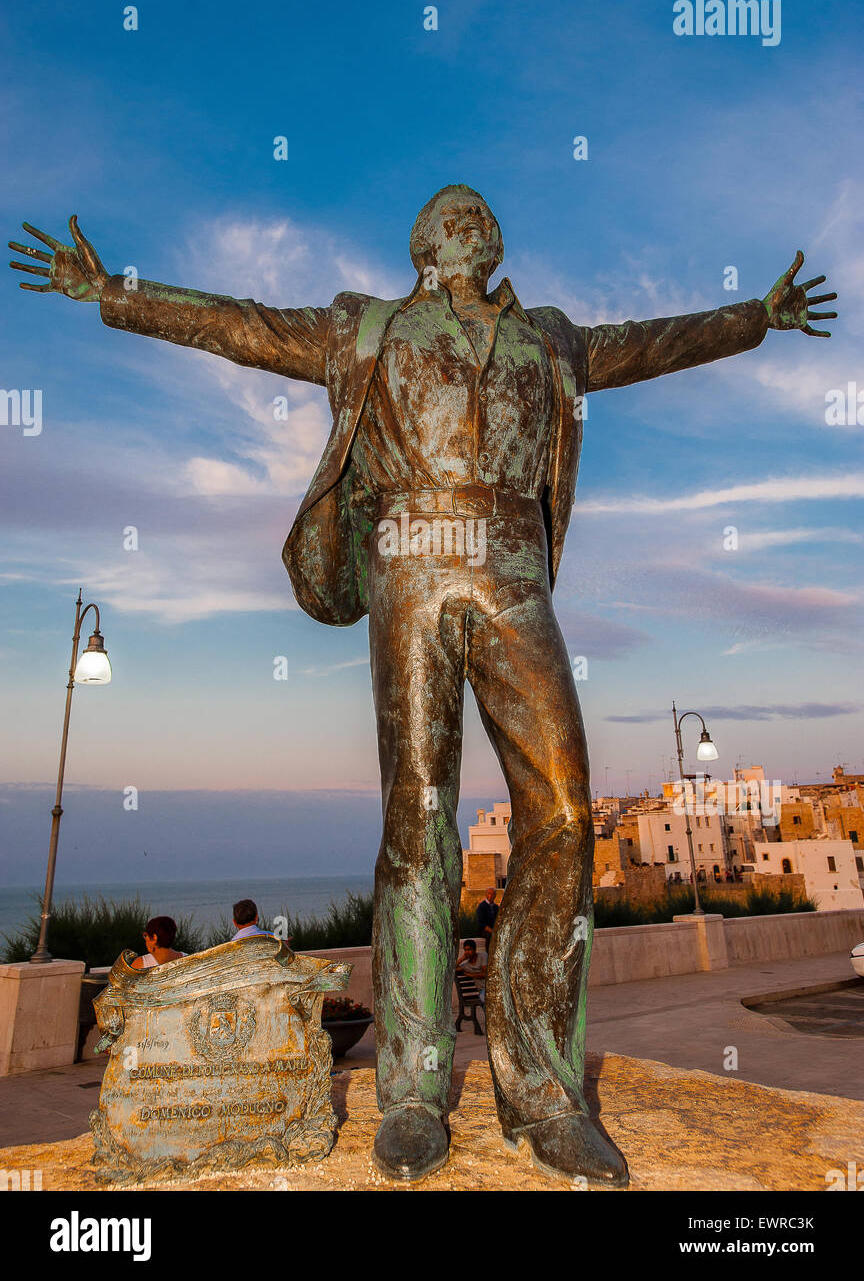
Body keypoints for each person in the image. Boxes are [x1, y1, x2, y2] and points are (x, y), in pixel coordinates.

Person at [10, 189, 836, 1188]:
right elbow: (241, 325)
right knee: (419, 818)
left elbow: (653, 342)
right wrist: (115, 293)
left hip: (512, 574)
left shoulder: (553, 340)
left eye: (484, 211)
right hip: (408, 560)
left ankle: (543, 1088)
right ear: (425, 246)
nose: (478, 219)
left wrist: (757, 316)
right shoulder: (369, 327)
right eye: (458, 213)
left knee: (565, 811)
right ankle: (412, 1087)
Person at [456, 938, 488, 1002]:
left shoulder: (483, 955)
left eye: (469, 949)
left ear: (474, 949)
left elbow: (484, 974)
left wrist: (470, 975)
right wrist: (462, 958)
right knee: (483, 998)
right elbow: (452, 969)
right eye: (465, 950)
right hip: (482, 991)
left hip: (490, 988)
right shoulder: (466, 965)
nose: (467, 952)